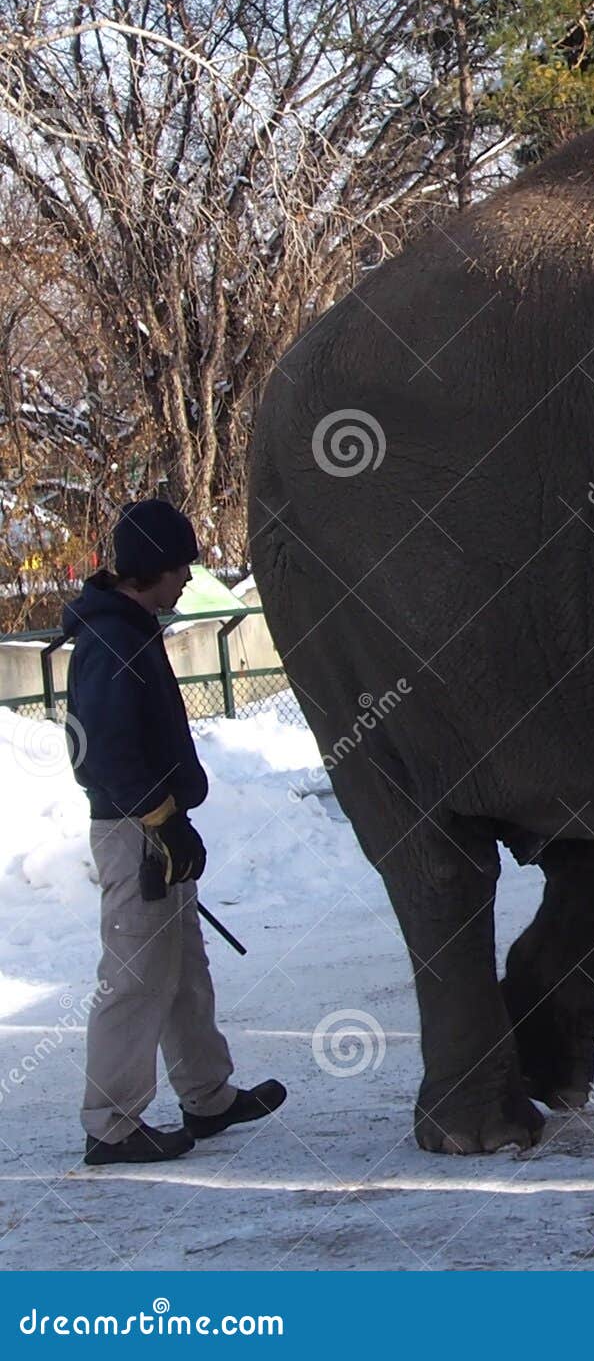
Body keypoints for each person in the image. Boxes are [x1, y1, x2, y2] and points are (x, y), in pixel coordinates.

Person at [64, 499, 286, 1165]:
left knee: (182, 967)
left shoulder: (128, 627)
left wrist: (171, 822)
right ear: (150, 569)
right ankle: (110, 1124)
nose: (188, 579)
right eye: (180, 566)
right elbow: (100, 753)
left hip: (155, 824)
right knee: (135, 976)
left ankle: (207, 1096)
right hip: (136, 828)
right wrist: (159, 821)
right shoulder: (111, 639)